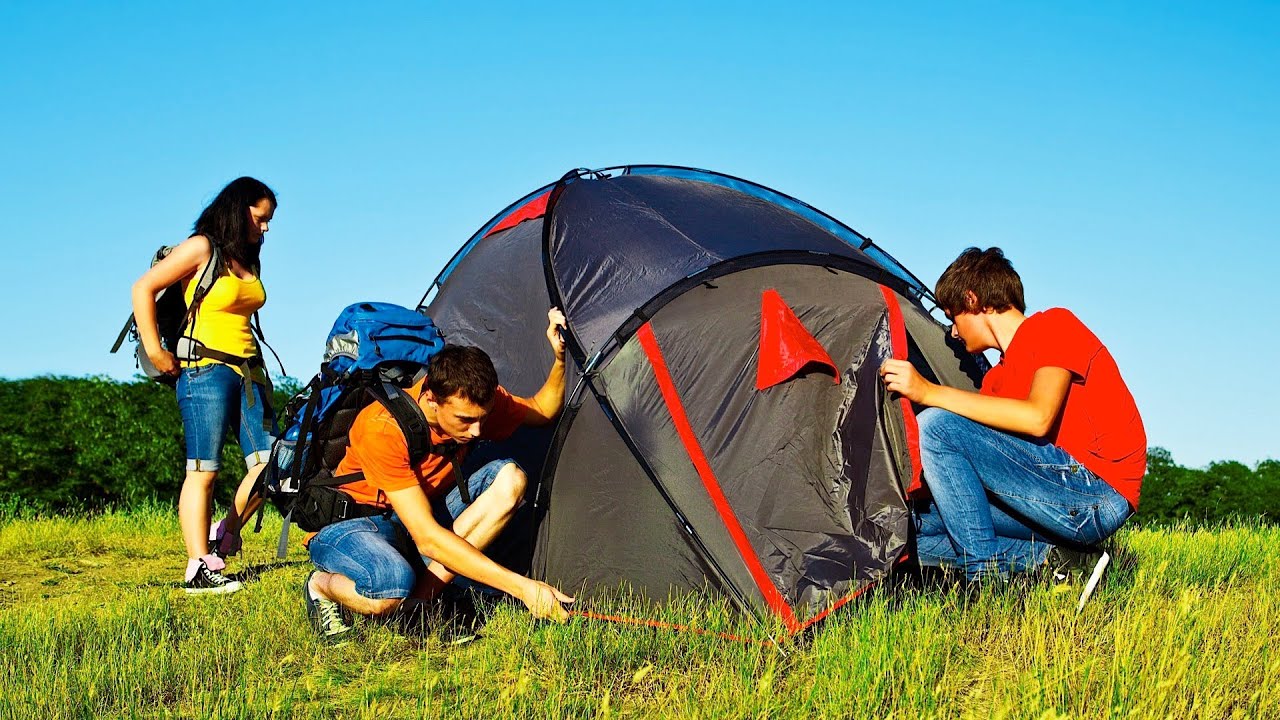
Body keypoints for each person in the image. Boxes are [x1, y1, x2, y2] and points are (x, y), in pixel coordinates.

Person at [879, 247, 1146, 592]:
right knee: (912, 527)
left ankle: (985, 583)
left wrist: (928, 391)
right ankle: (1061, 560)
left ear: (973, 300)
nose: (954, 333)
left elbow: (1038, 417)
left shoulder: (1054, 326)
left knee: (937, 426)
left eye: (953, 317)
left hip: (1095, 494)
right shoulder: (996, 381)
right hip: (1047, 501)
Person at [303, 310, 575, 643]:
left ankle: (419, 605)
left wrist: (560, 359)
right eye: (464, 420)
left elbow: (543, 409)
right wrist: (523, 588)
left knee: (511, 479)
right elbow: (429, 538)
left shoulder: (474, 404)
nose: (477, 431)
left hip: (418, 517)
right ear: (431, 399)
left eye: (482, 418)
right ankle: (321, 585)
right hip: (354, 525)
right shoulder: (382, 428)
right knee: (389, 588)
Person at [130, 177, 279, 594]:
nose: (265, 228)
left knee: (272, 465)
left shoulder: (248, 259)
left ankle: (225, 532)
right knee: (204, 471)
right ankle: (198, 567)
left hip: (248, 371)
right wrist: (156, 350)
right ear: (238, 208)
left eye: (269, 221)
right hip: (204, 370)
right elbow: (143, 287)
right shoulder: (201, 247)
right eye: (260, 217)